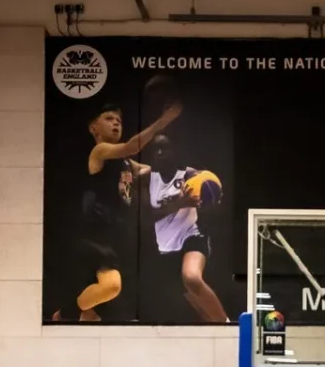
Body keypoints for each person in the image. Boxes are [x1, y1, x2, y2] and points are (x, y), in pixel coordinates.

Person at [74, 97, 179, 321]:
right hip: (95, 235)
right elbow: (133, 146)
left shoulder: (127, 163)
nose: (116, 123)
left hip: (115, 236)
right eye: (108, 119)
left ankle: (88, 313)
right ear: (94, 128)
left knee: (113, 291)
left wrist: (192, 177)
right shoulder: (99, 151)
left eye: (119, 120)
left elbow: (149, 169)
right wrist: (162, 121)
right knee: (113, 286)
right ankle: (69, 311)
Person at [144, 134, 227, 323]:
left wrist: (213, 199)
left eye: (164, 148)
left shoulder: (190, 175)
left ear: (174, 151)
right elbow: (147, 217)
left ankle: (229, 327)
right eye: (155, 149)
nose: (159, 153)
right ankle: (220, 329)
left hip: (191, 236)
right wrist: (180, 203)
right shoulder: (148, 178)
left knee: (191, 278)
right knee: (197, 303)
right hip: (166, 250)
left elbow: (213, 196)